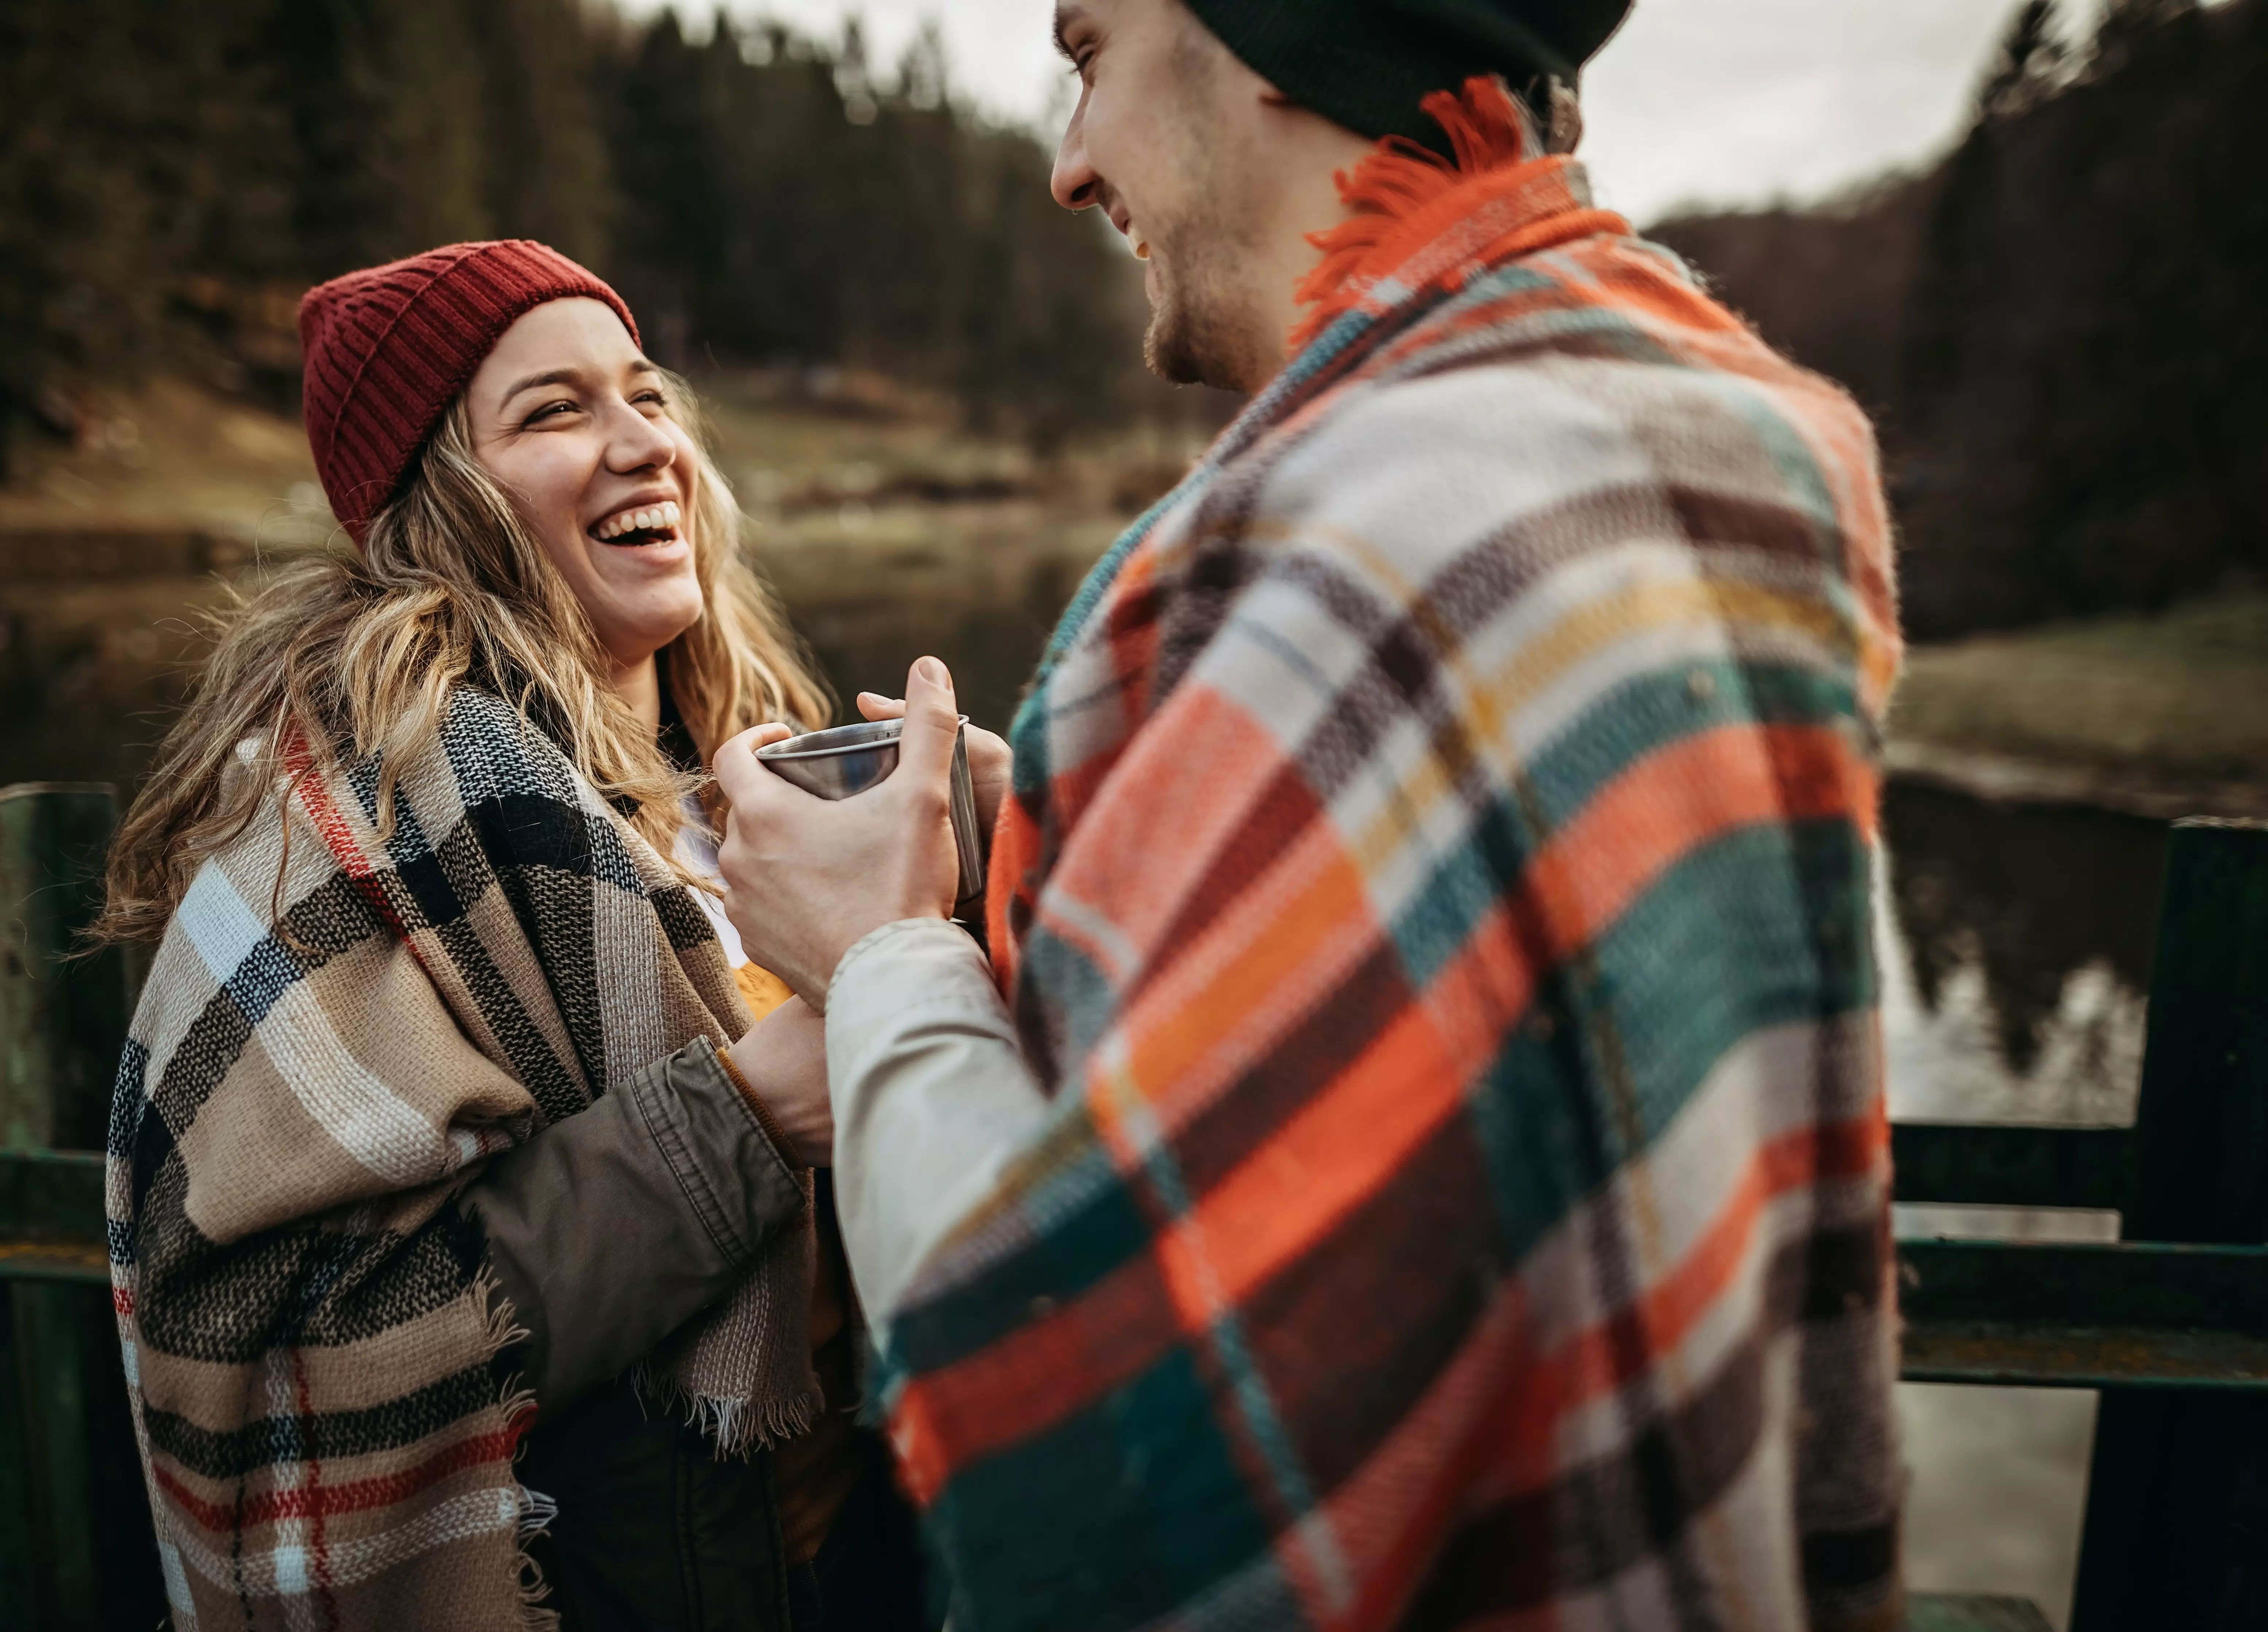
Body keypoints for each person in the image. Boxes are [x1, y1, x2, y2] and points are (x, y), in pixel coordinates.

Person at [714, 3, 1905, 1628]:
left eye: (1087, 54)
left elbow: (1105, 1475)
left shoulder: (1345, 545)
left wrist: (879, 956)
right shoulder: (1752, 432)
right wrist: (1096, 815)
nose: (1072, 168)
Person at [98, 240, 927, 1631]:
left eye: (646, 396)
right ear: (442, 504)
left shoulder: (743, 781)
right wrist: (751, 1112)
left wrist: (978, 871)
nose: (641, 447)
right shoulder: (361, 827)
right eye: (554, 413)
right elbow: (312, 1347)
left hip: (849, 1548)